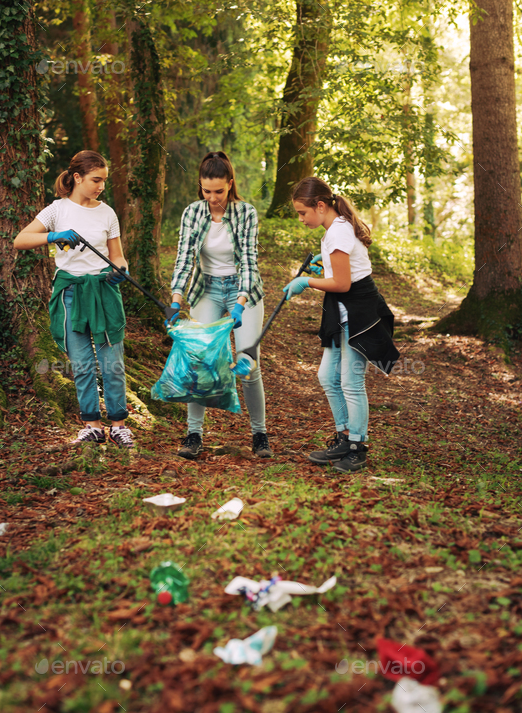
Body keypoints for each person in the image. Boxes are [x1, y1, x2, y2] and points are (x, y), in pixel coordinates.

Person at [13, 150, 135, 448]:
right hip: (70, 293)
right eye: (96, 179)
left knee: (111, 361)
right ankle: (91, 425)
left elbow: (117, 256)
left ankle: (118, 425)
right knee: (81, 362)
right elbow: (20, 240)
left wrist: (121, 269)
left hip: (105, 290)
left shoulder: (107, 212)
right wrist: (52, 237)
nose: (101, 186)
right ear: (77, 178)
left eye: (104, 180)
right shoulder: (56, 211)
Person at [283, 176, 399, 473]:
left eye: (302, 212)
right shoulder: (334, 230)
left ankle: (357, 446)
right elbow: (340, 268)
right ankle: (345, 437)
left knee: (350, 381)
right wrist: (323, 264)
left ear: (320, 206)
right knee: (327, 376)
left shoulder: (338, 232)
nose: (301, 219)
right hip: (341, 312)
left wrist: (306, 281)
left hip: (359, 312)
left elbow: (343, 283)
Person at [169, 151, 272, 459]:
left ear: (230, 184)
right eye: (206, 191)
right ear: (200, 187)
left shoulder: (246, 213)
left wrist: (240, 302)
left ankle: (259, 434)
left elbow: (250, 262)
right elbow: (184, 258)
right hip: (207, 289)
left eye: (219, 191)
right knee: (199, 359)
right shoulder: (193, 213)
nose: (213, 198)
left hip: (244, 291)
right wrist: (175, 300)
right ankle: (193, 434)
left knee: (247, 364)